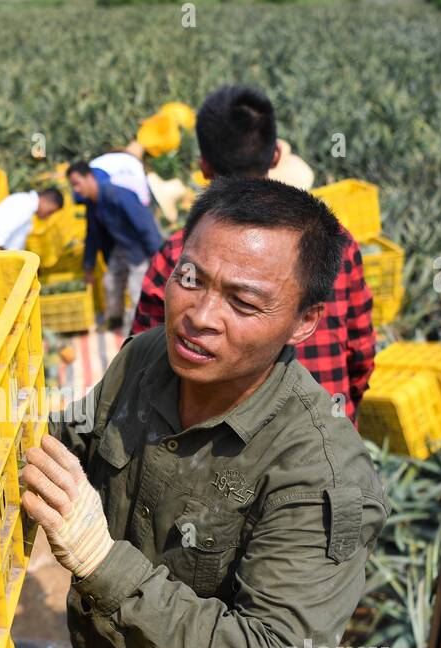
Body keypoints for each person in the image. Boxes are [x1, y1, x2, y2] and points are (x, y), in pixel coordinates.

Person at [22, 176, 388, 648]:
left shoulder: (323, 477)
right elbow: (71, 440)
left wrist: (101, 561)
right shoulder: (144, 359)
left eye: (244, 303)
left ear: (305, 322)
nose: (200, 315)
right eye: (191, 278)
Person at [131, 85, 376, 422]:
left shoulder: (180, 251)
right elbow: (360, 350)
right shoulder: (335, 242)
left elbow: (143, 361)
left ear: (203, 166)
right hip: (328, 422)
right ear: (275, 155)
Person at [67, 161, 163, 335]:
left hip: (139, 249)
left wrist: (158, 258)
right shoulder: (92, 204)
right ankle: (115, 318)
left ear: (89, 177)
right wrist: (88, 267)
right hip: (120, 248)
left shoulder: (118, 195)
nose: (76, 190)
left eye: (77, 183)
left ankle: (132, 335)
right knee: (110, 282)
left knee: (136, 294)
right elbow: (92, 235)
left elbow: (146, 225)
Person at [0, 188, 63, 252]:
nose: (48, 216)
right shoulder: (25, 204)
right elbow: (3, 229)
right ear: (46, 201)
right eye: (50, 212)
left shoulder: (26, 204)